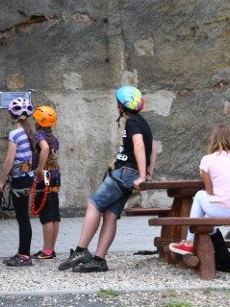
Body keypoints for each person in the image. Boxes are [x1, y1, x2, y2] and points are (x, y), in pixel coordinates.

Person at [58, 86, 156, 273]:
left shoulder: (132, 123)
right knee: (110, 215)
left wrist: (143, 175)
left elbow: (139, 146)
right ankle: (99, 260)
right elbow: (152, 148)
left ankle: (80, 250)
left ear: (121, 106)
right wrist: (147, 174)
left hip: (125, 172)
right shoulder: (143, 123)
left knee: (94, 204)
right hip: (130, 174)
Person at [168, 125, 230, 273]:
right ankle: (227, 262)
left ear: (212, 140)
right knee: (205, 221)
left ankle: (190, 241)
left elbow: (209, 191)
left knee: (200, 196)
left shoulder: (208, 160)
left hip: (224, 209)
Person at [0, 98, 36, 267]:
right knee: (23, 216)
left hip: (20, 179)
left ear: (12, 115)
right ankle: (22, 252)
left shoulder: (15, 134)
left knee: (22, 217)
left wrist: (1, 181)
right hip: (27, 176)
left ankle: (24, 255)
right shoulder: (28, 132)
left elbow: (9, 160)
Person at [30, 105, 62, 260]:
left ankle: (47, 250)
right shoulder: (53, 138)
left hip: (45, 178)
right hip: (54, 176)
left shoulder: (39, 136)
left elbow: (44, 149)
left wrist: (39, 169)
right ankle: (50, 249)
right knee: (54, 215)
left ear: (38, 121)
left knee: (47, 215)